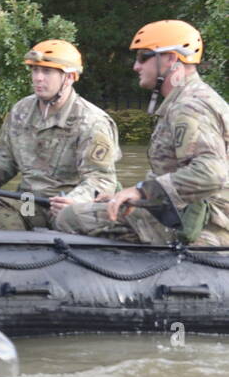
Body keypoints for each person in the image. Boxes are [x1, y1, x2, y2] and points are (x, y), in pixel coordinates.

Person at [57, 20, 229, 245]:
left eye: (143, 57)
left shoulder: (190, 107)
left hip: (207, 225)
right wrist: (128, 194)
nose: (136, 67)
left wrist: (142, 192)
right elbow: (174, 171)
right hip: (184, 213)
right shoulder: (186, 100)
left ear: (171, 59)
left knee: (69, 218)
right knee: (91, 210)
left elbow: (211, 174)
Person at [0, 40, 119, 230]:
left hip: (66, 207)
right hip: (29, 202)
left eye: (47, 71)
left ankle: (31, 241)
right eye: (35, 70)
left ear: (69, 77)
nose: (38, 78)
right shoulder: (21, 110)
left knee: (69, 217)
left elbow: (102, 180)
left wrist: (76, 200)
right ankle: (18, 244)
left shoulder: (92, 121)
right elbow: (4, 159)